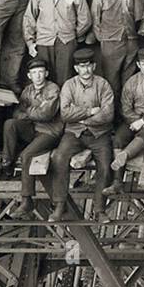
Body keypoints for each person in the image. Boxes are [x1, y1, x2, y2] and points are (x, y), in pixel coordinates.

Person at [50, 49, 115, 222]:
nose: (85, 70)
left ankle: (100, 210)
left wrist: (86, 120)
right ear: (76, 68)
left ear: (93, 66)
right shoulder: (69, 85)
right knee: (59, 158)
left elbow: (108, 114)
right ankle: (59, 204)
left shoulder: (103, 85)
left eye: (88, 66)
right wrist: (89, 111)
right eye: (81, 67)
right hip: (74, 133)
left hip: (99, 133)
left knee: (106, 165)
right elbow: (65, 114)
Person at [0, 57, 63, 219]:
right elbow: (17, 113)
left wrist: (29, 112)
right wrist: (34, 111)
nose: (38, 76)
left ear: (46, 73)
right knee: (10, 124)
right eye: (34, 73)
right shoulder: (27, 90)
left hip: (49, 132)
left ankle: (27, 200)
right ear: (29, 75)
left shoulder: (53, 89)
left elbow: (47, 114)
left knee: (27, 155)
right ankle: (7, 163)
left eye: (41, 72)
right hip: (33, 129)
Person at [105, 48, 144, 193]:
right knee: (118, 139)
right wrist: (138, 121)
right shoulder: (131, 82)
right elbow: (126, 108)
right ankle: (117, 183)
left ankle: (124, 155)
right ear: (138, 65)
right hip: (133, 120)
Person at [23, 0, 92, 85]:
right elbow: (29, 17)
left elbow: (85, 18)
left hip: (66, 41)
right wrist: (30, 42)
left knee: (64, 79)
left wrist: (72, 34)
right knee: (45, 80)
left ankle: (63, 106)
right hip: (44, 40)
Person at [88, 0, 139, 93]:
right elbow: (95, 13)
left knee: (129, 78)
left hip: (131, 38)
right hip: (111, 39)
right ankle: (112, 111)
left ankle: (126, 111)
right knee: (111, 79)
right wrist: (100, 35)